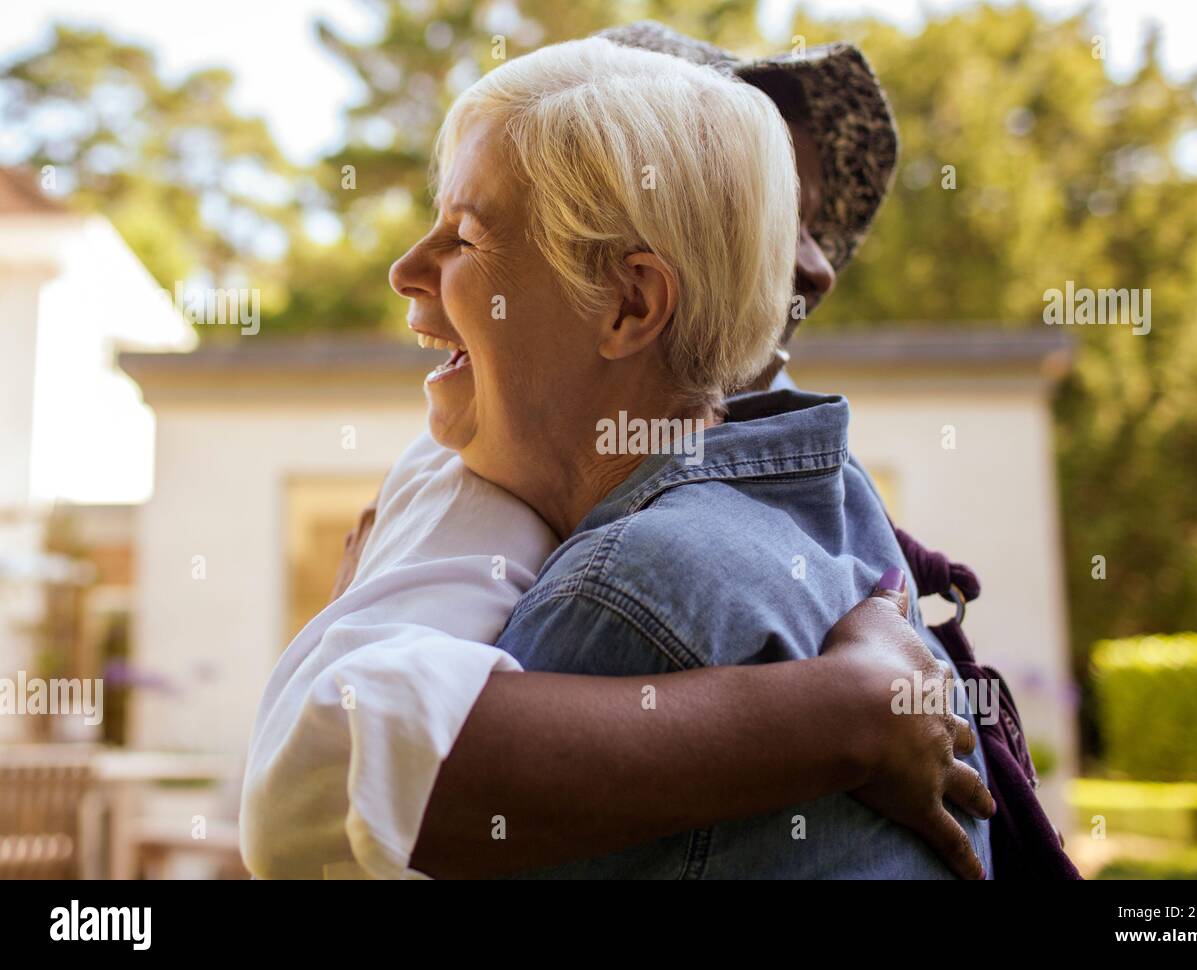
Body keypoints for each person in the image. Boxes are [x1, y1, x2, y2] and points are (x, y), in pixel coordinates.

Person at [241, 28, 991, 881]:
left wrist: (847, 712)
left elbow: (325, 790)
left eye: (465, 234)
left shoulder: (623, 591)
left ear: (630, 304)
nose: (405, 269)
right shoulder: (830, 517)